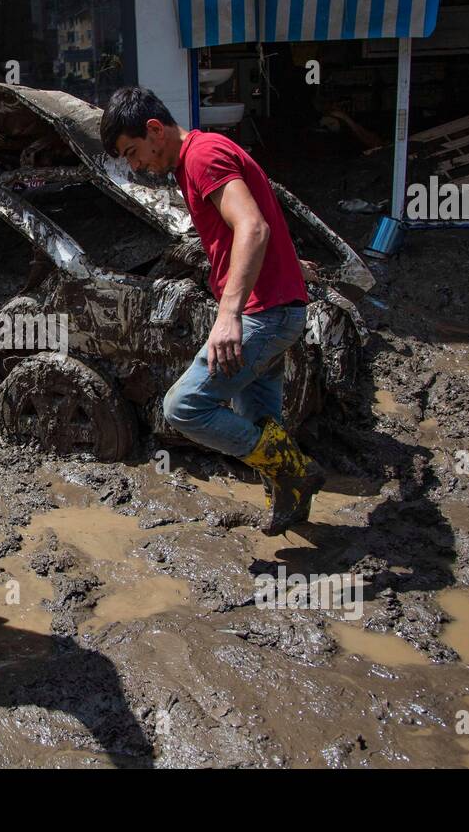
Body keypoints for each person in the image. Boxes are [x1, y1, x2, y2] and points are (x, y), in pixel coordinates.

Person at [100, 87, 325, 535]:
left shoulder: (202, 157)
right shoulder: (200, 158)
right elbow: (257, 221)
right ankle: (291, 499)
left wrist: (229, 315)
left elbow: (252, 226)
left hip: (263, 314)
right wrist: (290, 265)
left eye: (133, 152)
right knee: (259, 419)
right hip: (275, 306)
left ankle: (295, 469)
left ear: (155, 130)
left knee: (184, 407)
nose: (136, 165)